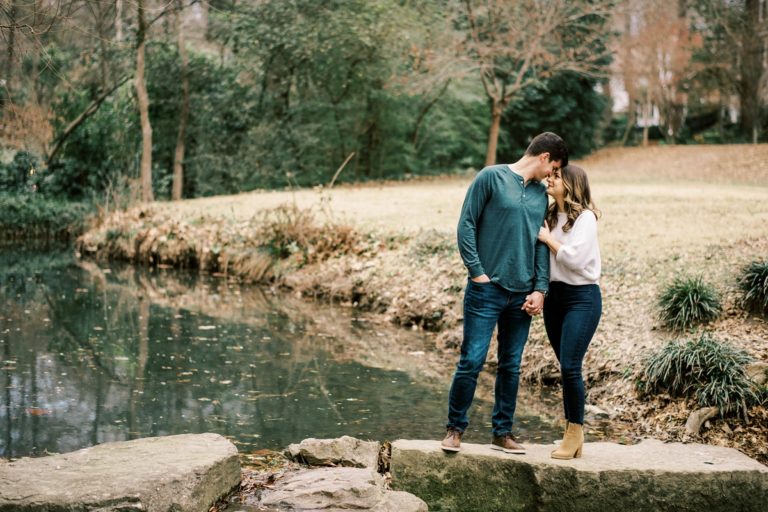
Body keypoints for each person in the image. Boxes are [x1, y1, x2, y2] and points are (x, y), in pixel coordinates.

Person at [441, 132, 568, 454]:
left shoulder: (541, 196)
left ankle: (502, 432)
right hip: (486, 290)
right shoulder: (491, 177)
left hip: (522, 294)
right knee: (471, 361)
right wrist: (477, 272)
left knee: (511, 365)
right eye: (554, 167)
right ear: (544, 157)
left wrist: (540, 289)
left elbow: (541, 242)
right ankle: (455, 429)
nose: (553, 175)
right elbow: (466, 224)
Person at [536, 164, 602, 460]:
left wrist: (547, 238)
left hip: (582, 298)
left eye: (556, 176)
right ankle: (574, 432)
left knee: (570, 367)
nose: (549, 178)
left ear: (572, 184)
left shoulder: (586, 218)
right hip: (555, 298)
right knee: (565, 365)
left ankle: (573, 432)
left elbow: (575, 259)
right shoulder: (549, 215)